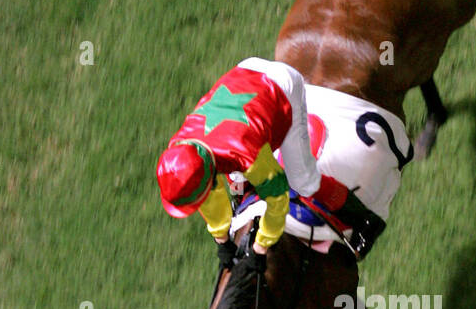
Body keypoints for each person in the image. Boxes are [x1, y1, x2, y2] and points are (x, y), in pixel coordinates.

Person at [156, 57, 368, 272]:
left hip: (281, 85)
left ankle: (363, 219)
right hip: (245, 71)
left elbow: (278, 200)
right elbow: (211, 192)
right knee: (236, 178)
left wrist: (260, 247)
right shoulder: (181, 147)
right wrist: (222, 241)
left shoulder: (248, 156)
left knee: (303, 182)